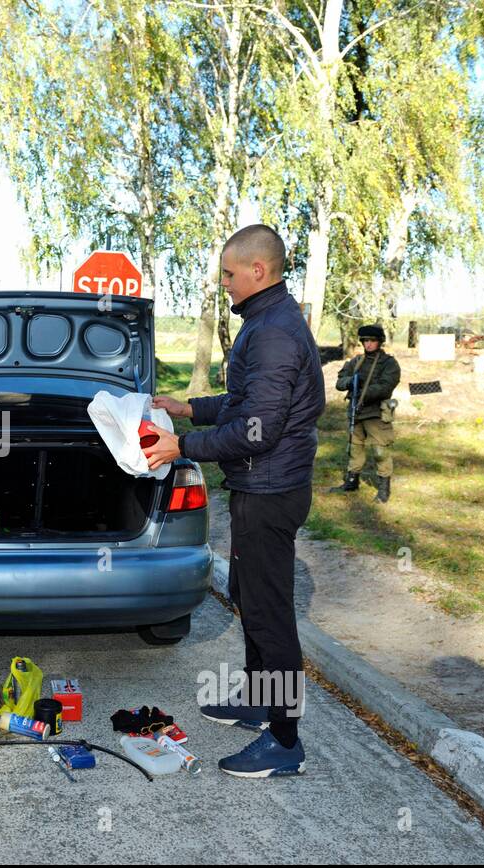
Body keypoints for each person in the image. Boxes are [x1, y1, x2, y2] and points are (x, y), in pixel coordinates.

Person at [143, 224, 324, 778]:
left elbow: (256, 429)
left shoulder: (272, 333)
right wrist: (187, 408)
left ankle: (285, 742)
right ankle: (259, 703)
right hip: (259, 486)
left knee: (271, 618)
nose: (223, 283)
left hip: (270, 491)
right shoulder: (268, 322)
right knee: (250, 597)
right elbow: (242, 401)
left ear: (257, 271)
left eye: (228, 273)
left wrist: (182, 447)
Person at [330, 324, 400, 503]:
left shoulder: (388, 363)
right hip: (356, 412)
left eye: (372, 341)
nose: (368, 344)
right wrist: (351, 382)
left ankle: (384, 489)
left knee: (380, 451)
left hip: (375, 412)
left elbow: (386, 386)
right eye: (366, 341)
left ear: (380, 342)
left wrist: (362, 392)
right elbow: (339, 382)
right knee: (354, 448)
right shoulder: (356, 362)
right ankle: (351, 482)